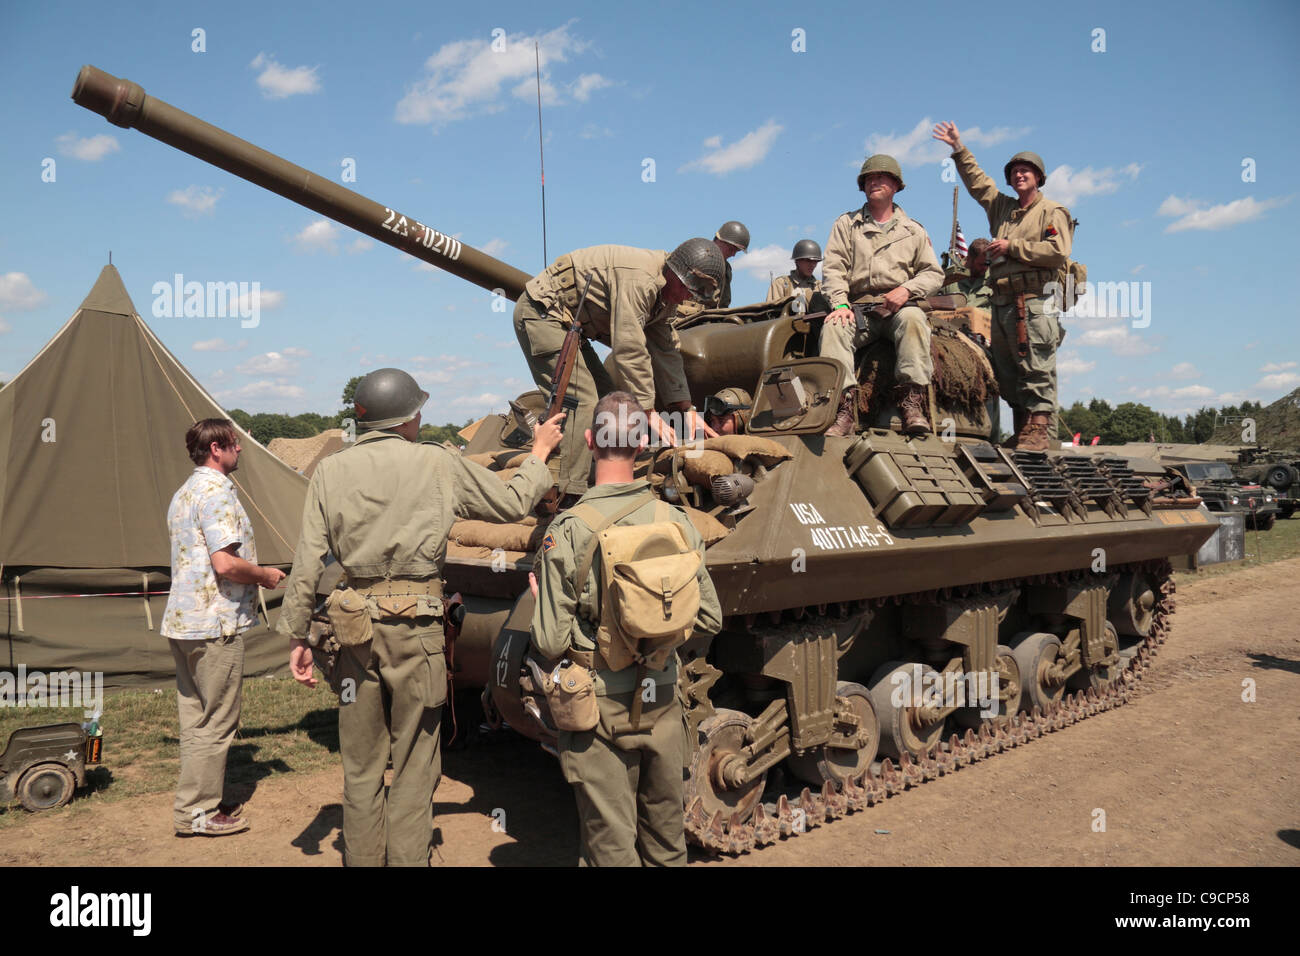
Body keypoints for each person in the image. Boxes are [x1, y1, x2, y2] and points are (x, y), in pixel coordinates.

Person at [278, 368, 564, 866]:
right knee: (414, 760)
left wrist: (297, 635)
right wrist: (538, 453)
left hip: (353, 630)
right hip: (418, 630)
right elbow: (513, 502)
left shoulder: (330, 471)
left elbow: (307, 560)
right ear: (409, 418)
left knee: (362, 763)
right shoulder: (436, 462)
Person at [530, 391, 723, 866]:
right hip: (661, 698)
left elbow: (551, 641)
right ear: (641, 445)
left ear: (590, 440)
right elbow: (710, 618)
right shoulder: (678, 522)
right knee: (666, 842)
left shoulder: (569, 529)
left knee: (609, 845)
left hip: (597, 709)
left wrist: (543, 604)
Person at [513, 241, 724, 497]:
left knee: (608, 400)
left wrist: (685, 408)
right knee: (582, 401)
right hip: (544, 313)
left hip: (572, 324)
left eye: (691, 294)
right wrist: (648, 411)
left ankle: (600, 476)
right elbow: (629, 347)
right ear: (672, 269)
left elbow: (665, 350)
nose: (683, 297)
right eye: (682, 287)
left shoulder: (667, 294)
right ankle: (568, 495)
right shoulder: (642, 281)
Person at [162, 418, 286, 837]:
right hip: (215, 625)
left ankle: (194, 806)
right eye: (235, 443)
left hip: (185, 623)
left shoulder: (185, 491)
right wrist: (265, 575)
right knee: (217, 722)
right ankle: (198, 813)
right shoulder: (215, 493)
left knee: (196, 719)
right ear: (216, 449)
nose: (241, 450)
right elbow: (226, 563)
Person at [932, 121, 1073, 451]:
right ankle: (1024, 428)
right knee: (1007, 370)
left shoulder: (1052, 212)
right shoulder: (1003, 209)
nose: (1020, 175)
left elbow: (1058, 252)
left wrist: (1012, 247)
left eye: (1027, 171)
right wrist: (958, 148)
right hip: (1003, 299)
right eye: (1015, 172)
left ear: (1039, 177)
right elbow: (979, 185)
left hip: (1036, 299)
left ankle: (1040, 430)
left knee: (1037, 363)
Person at [821, 154, 944, 436]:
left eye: (881, 176)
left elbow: (933, 273)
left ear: (896, 185)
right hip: (858, 308)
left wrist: (907, 289)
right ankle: (843, 409)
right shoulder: (846, 224)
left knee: (914, 320)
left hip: (898, 308)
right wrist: (839, 302)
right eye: (868, 178)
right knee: (833, 327)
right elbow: (833, 268)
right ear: (862, 186)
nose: (874, 181)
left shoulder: (913, 230)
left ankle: (911, 403)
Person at [766, 239, 823, 313]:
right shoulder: (781, 284)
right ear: (797, 261)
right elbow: (771, 313)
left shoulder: (819, 287)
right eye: (808, 261)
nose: (812, 265)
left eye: (815, 261)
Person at [710, 221, 750, 309]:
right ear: (720, 240)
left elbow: (723, 304)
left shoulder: (726, 268)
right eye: (731, 249)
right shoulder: (695, 255)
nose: (733, 255)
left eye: (736, 251)